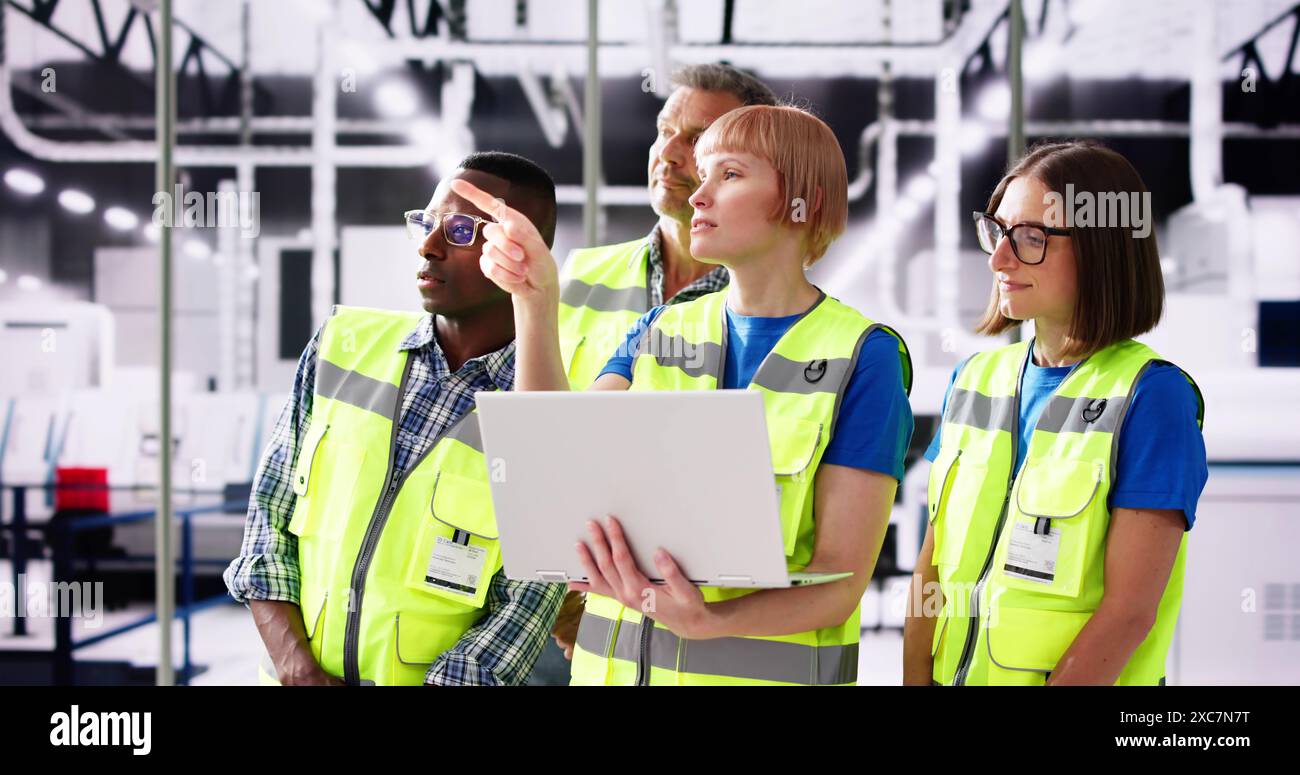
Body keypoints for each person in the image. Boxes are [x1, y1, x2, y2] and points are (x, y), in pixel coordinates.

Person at [455, 104, 914, 685]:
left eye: (730, 175)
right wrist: (535, 301)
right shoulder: (658, 328)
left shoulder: (864, 358)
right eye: (704, 174)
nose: (698, 195)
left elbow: (839, 584)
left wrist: (707, 621)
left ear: (806, 203)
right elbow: (554, 470)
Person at [223, 151, 565, 685]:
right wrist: (296, 669)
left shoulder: (546, 408)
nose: (429, 246)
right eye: (426, 223)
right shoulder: (343, 346)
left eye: (458, 229)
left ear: (522, 250)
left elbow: (525, 603)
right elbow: (268, 518)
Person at [902, 141, 1208, 686]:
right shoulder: (974, 381)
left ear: (1101, 247)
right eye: (997, 232)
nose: (999, 258)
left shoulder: (1151, 398)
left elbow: (1129, 614)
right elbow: (932, 566)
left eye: (1031, 240)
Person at [535, 63, 777, 682]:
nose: (668, 153)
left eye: (694, 139)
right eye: (664, 130)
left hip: (709, 627)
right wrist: (561, 600)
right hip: (556, 616)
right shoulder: (576, 280)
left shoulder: (784, 314)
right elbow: (535, 442)